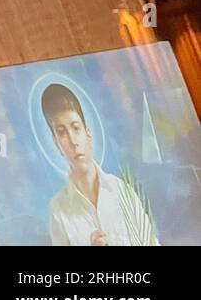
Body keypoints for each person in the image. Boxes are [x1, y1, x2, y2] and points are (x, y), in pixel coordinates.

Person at [42, 83, 158, 246]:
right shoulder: (59, 210)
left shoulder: (121, 190)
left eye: (76, 128)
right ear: (56, 143)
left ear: (88, 134)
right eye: (62, 133)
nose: (73, 141)